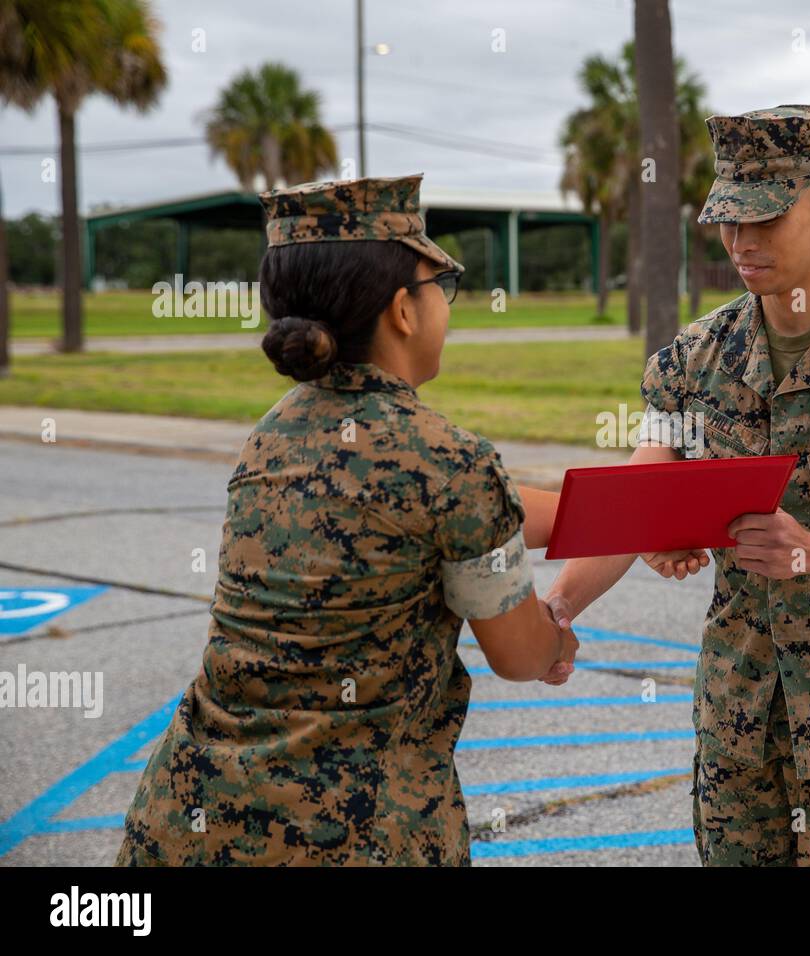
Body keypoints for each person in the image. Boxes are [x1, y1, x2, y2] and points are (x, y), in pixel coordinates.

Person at [544, 105, 810, 866]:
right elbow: (638, 499)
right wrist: (555, 610)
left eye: (766, 221)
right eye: (727, 221)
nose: (742, 242)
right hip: (739, 715)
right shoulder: (694, 359)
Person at [115, 174, 577, 866]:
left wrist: (647, 513)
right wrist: (555, 637)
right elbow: (519, 653)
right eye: (438, 288)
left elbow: (479, 508)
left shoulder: (273, 434)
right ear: (402, 311)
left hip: (189, 821)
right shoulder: (445, 460)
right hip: (353, 835)